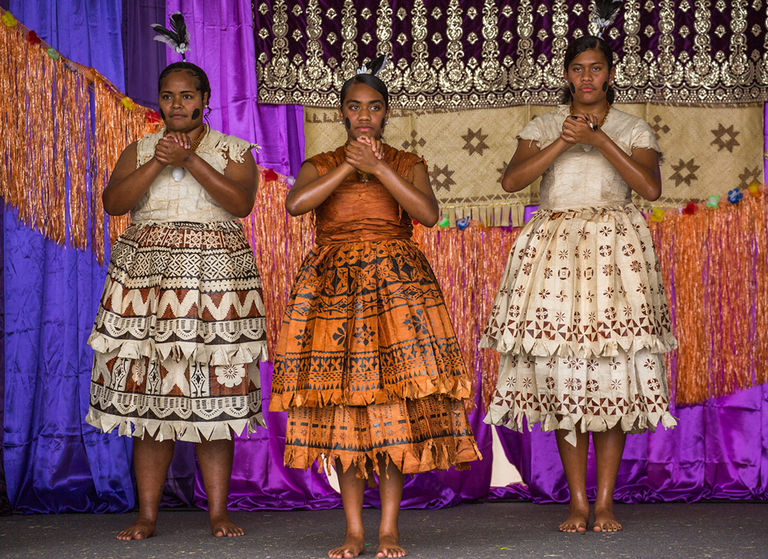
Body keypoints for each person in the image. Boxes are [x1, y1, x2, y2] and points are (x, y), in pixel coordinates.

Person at [270, 59, 481, 558]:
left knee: (392, 410)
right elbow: (296, 207)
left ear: (386, 114)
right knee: (345, 409)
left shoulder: (407, 163)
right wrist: (350, 165)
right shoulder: (320, 163)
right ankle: (353, 531)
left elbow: (428, 215)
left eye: (374, 107)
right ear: (343, 113)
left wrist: (380, 167)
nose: (364, 116)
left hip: (397, 293)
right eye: (354, 107)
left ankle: (388, 529)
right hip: (334, 294)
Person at [481, 35, 677, 533]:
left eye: (595, 68)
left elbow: (650, 189)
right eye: (577, 69)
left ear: (609, 74)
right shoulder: (545, 125)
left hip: (615, 250)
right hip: (555, 249)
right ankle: (577, 502)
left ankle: (606, 502)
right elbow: (512, 181)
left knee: (611, 372)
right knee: (567, 377)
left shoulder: (633, 127)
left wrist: (600, 140)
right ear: (567, 75)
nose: (586, 77)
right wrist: (565, 140)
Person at [86, 61, 267, 540]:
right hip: (149, 285)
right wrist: (160, 161)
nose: (177, 105)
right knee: (151, 405)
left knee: (216, 402)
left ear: (205, 99)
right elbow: (114, 203)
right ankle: (147, 516)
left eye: (187, 96)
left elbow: (241, 203)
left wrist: (189, 160)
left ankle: (218, 513)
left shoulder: (234, 150)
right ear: (159, 101)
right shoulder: (142, 148)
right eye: (168, 96)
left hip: (216, 285)